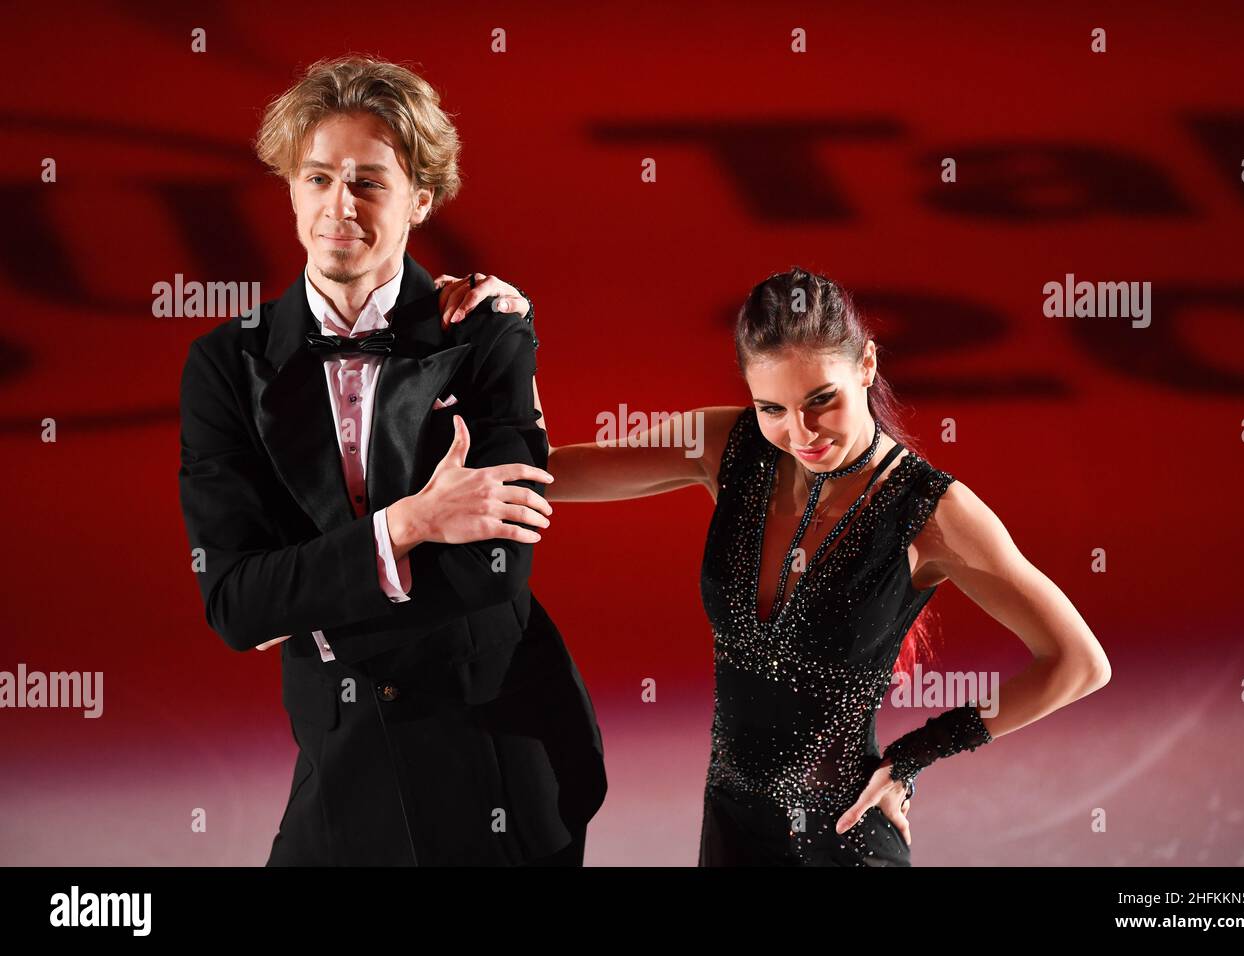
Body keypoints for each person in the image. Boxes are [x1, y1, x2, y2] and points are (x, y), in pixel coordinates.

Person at [452, 265, 1111, 866]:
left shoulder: (932, 511)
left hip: (844, 839)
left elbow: (1079, 663)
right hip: (731, 832)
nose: (802, 433)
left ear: (867, 366)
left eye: (821, 400)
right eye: (773, 408)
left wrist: (915, 756)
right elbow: (541, 474)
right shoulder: (728, 448)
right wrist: (512, 327)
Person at [177, 55, 606, 866]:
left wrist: (301, 593)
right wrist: (410, 524)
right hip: (341, 753)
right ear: (291, 188)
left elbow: (495, 567)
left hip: (501, 755)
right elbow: (234, 602)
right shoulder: (223, 365)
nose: (340, 205)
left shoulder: (485, 328)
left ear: (422, 196)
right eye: (318, 178)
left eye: (370, 181)